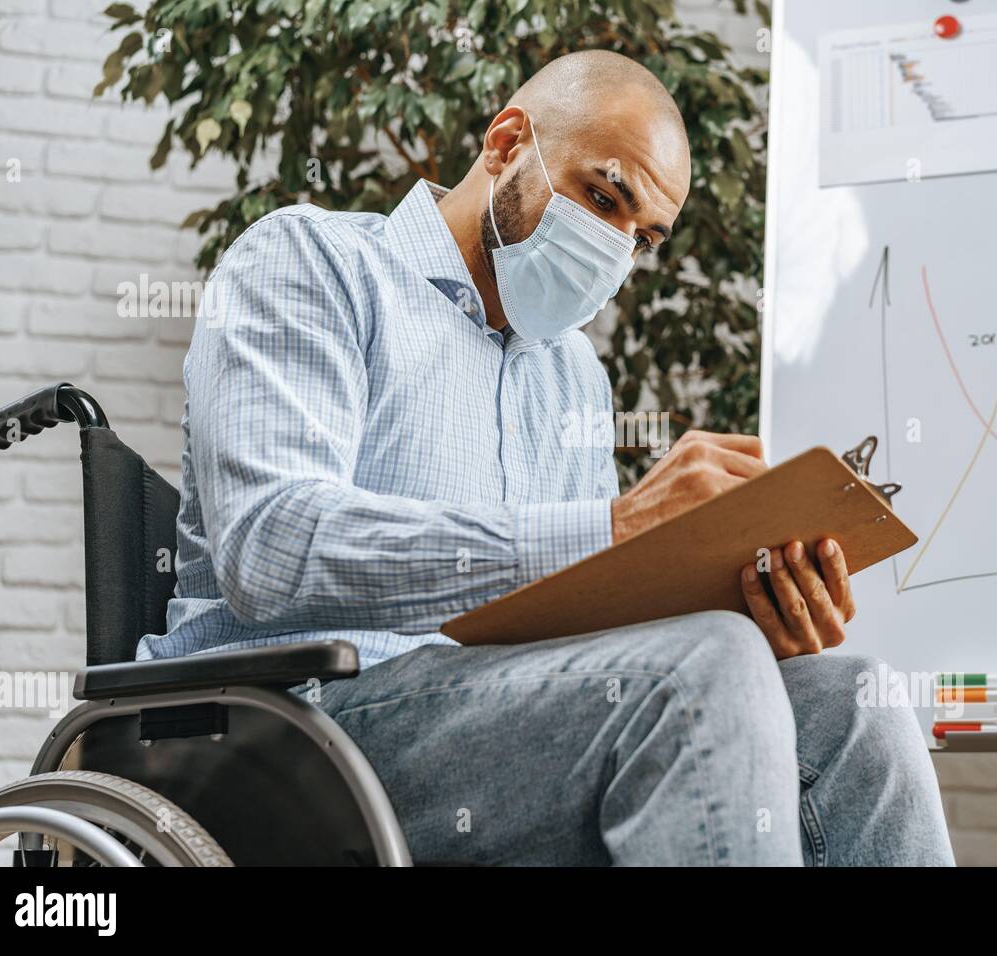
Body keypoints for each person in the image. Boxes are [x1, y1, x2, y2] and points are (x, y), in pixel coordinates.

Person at [141, 49, 953, 866]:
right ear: (505, 144)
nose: (615, 250)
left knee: (854, 704)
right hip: (287, 728)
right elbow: (270, 547)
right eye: (603, 197)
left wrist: (733, 604)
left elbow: (578, 632)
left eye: (643, 238)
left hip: (488, 727)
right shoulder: (312, 263)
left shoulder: (574, 377)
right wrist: (617, 528)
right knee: (702, 672)